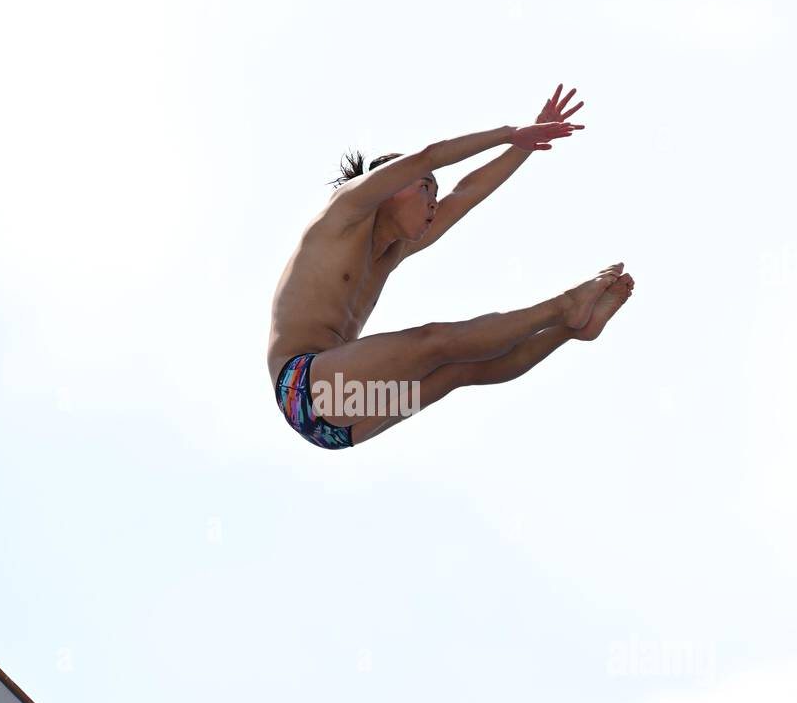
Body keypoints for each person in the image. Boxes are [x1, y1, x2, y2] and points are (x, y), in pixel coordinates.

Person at [267, 84, 636, 449]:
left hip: (345, 423)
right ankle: (563, 307)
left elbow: (467, 193)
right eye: (426, 188)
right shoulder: (345, 213)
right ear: (387, 187)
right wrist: (510, 133)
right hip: (302, 387)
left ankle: (572, 329)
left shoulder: (394, 247)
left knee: (457, 371)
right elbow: (429, 156)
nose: (434, 202)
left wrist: (522, 149)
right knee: (433, 341)